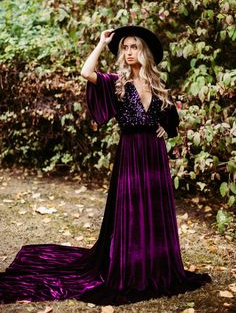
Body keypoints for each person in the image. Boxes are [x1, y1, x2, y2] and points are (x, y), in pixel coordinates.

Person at [0, 26, 212, 306]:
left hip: (155, 156)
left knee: (154, 210)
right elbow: (86, 73)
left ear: (144, 52)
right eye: (125, 48)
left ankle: (156, 266)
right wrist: (101, 43)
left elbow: (172, 121)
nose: (128, 52)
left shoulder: (159, 85)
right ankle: (131, 267)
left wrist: (163, 128)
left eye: (134, 46)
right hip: (131, 153)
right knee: (133, 211)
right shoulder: (117, 83)